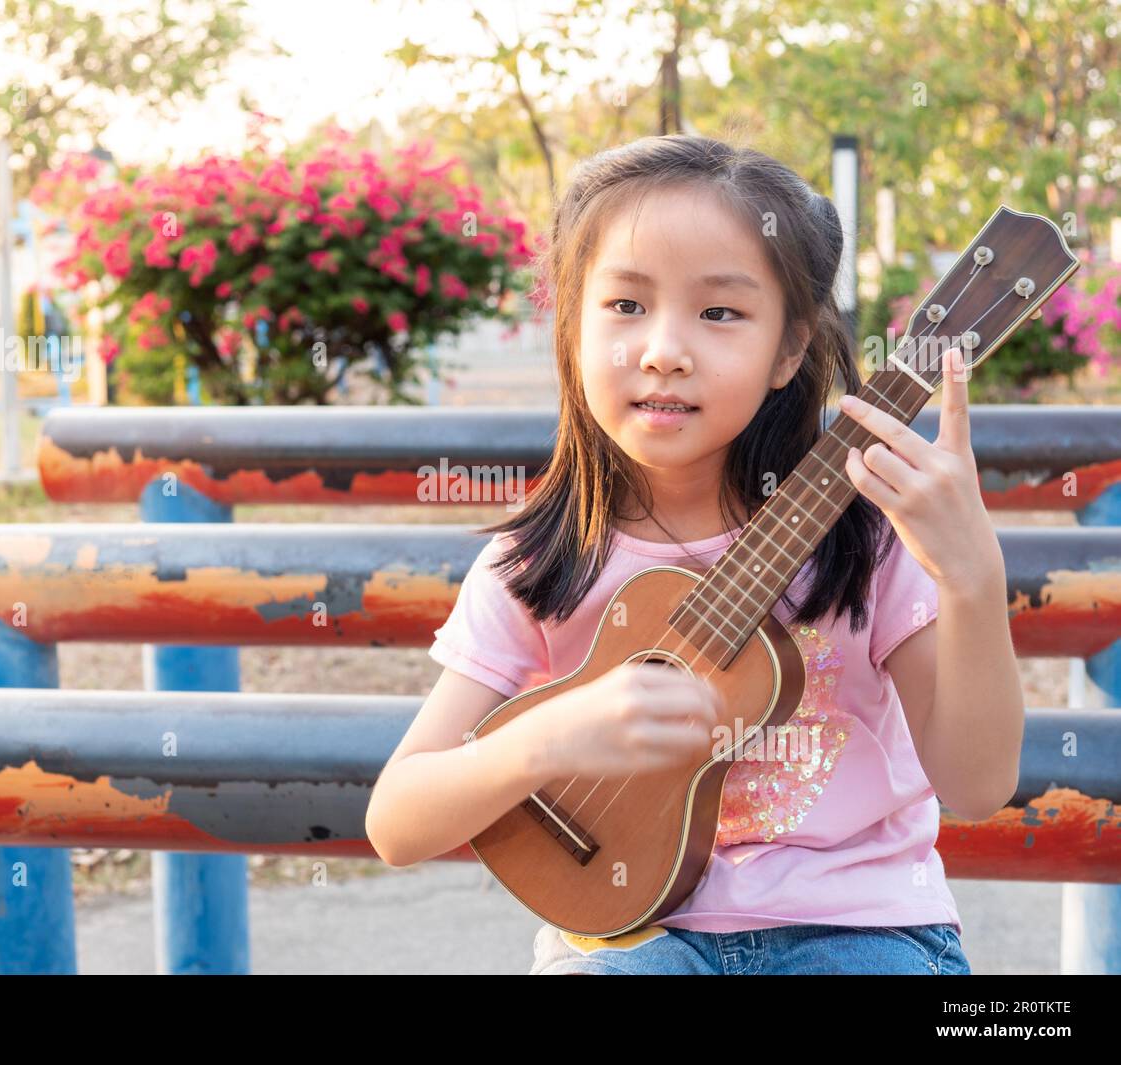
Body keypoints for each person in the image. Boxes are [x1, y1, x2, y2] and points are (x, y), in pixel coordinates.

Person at [364, 132, 1023, 975]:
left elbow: (976, 784)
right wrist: (547, 738)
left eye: (719, 312)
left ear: (790, 348)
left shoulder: (862, 537)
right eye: (626, 305)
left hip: (862, 932)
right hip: (629, 940)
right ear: (570, 326)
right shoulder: (540, 562)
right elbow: (397, 819)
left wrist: (971, 577)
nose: (664, 348)